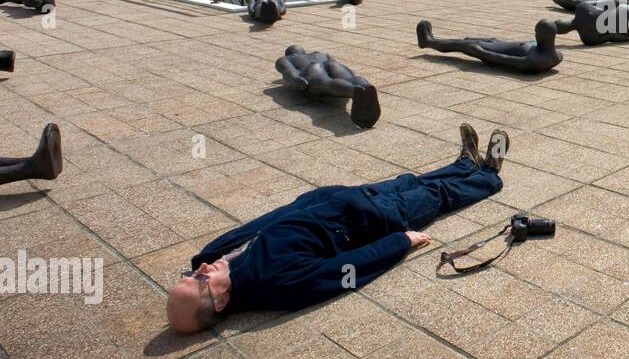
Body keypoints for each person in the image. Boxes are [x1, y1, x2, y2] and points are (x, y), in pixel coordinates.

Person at [166, 124, 509, 333]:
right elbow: (344, 272)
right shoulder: (278, 283)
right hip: (373, 221)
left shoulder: (213, 258)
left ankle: (464, 163)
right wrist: (400, 242)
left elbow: (257, 229)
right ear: (222, 301)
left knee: (411, 181)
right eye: (200, 280)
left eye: (190, 273)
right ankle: (489, 175)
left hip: (341, 200)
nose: (201, 269)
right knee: (435, 195)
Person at [275, 45, 381, 127]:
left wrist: (297, 80)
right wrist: (352, 74)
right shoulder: (321, 54)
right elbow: (337, 62)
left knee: (328, 83)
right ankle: (363, 85)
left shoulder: (285, 59)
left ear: (288, 52)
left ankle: (352, 91)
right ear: (302, 50)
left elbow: (288, 71)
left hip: (312, 68)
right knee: (350, 79)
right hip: (331, 63)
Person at [416, 19, 562, 73]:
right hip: (500, 43)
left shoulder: (536, 61)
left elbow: (503, 59)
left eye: (536, 32)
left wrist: (480, 52)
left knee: (463, 44)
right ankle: (432, 40)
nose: (534, 34)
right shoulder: (557, 54)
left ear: (541, 35)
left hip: (491, 49)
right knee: (471, 40)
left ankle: (428, 41)